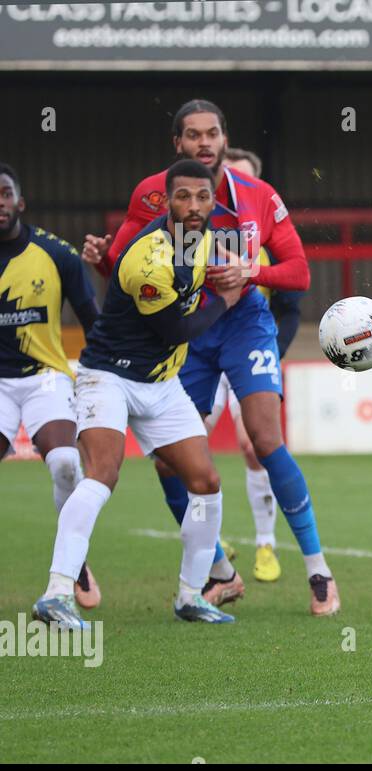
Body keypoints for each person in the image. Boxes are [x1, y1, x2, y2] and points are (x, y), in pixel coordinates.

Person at [82, 100, 338, 616]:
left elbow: (300, 273)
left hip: (244, 323)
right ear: (177, 144)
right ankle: (220, 570)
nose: (204, 142)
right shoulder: (153, 194)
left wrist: (251, 275)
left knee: (265, 438)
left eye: (213, 133)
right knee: (169, 462)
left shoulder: (260, 196)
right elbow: (131, 275)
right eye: (193, 135)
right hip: (187, 333)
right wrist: (104, 258)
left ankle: (318, 570)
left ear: (225, 140)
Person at [32, 159, 244, 628]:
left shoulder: (205, 237)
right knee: (103, 474)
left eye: (202, 197)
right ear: (166, 200)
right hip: (107, 377)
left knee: (206, 483)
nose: (193, 206)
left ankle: (191, 595)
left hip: (161, 384)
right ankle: (57, 593)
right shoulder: (147, 257)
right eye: (183, 196)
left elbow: (202, 275)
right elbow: (176, 328)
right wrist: (228, 297)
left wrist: (223, 273)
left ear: (214, 201)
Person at [0, 163, 103, 609]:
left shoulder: (56, 254)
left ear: (20, 202)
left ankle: (73, 559)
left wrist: (103, 377)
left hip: (45, 378)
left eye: (4, 193)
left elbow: (92, 318)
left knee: (64, 463)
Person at [201, 147, 302, 584]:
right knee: (190, 445)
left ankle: (266, 544)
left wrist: (268, 361)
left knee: (253, 445)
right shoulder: (198, 235)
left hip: (249, 349)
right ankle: (214, 540)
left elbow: (293, 305)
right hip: (202, 348)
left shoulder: (263, 243)